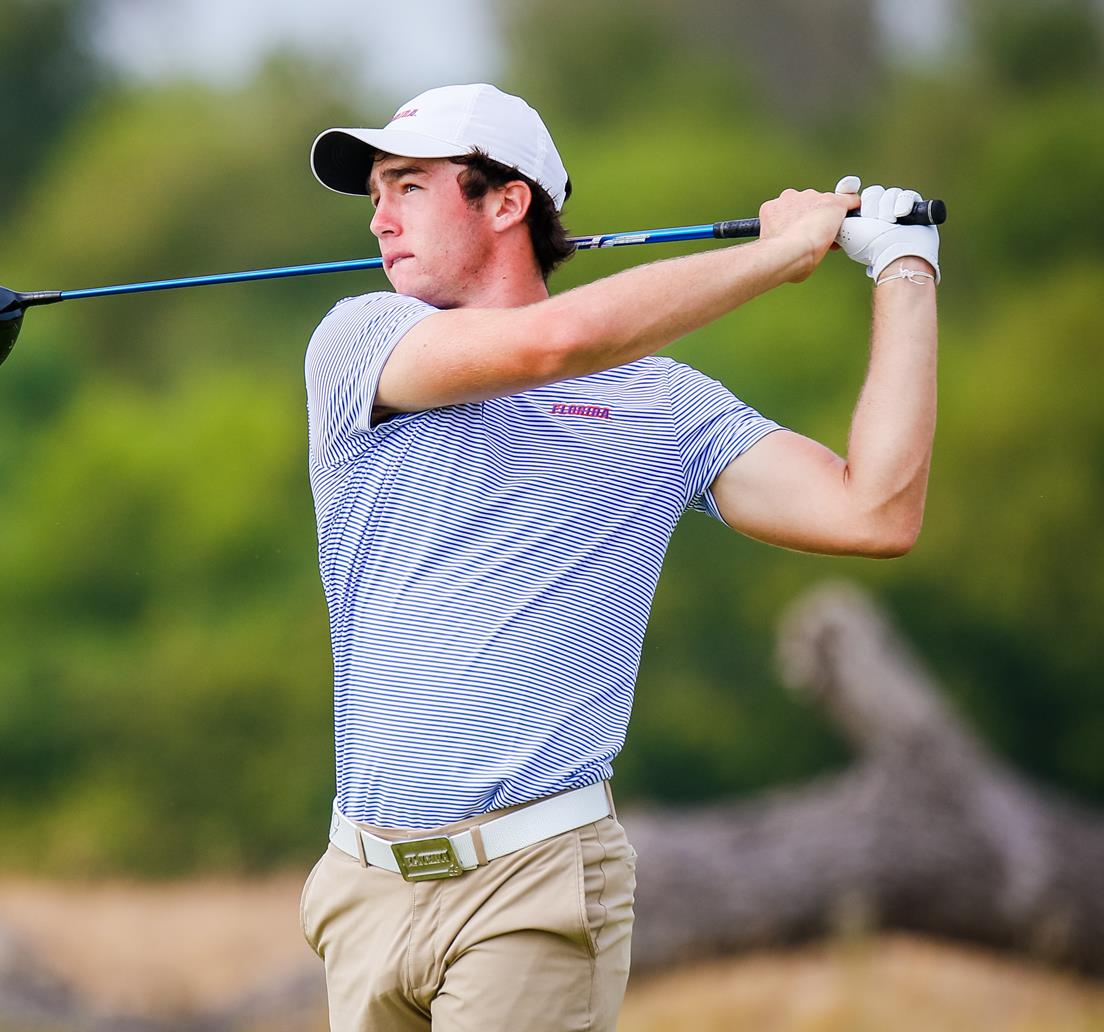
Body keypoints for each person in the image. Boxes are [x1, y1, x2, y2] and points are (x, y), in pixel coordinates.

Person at [297, 83, 939, 1031]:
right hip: (363, 886)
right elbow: (555, 343)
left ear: (506, 201)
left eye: (409, 186)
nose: (380, 220)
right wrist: (773, 256)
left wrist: (904, 268)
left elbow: (875, 509)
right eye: (377, 194)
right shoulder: (359, 341)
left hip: (535, 886)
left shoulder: (668, 408)